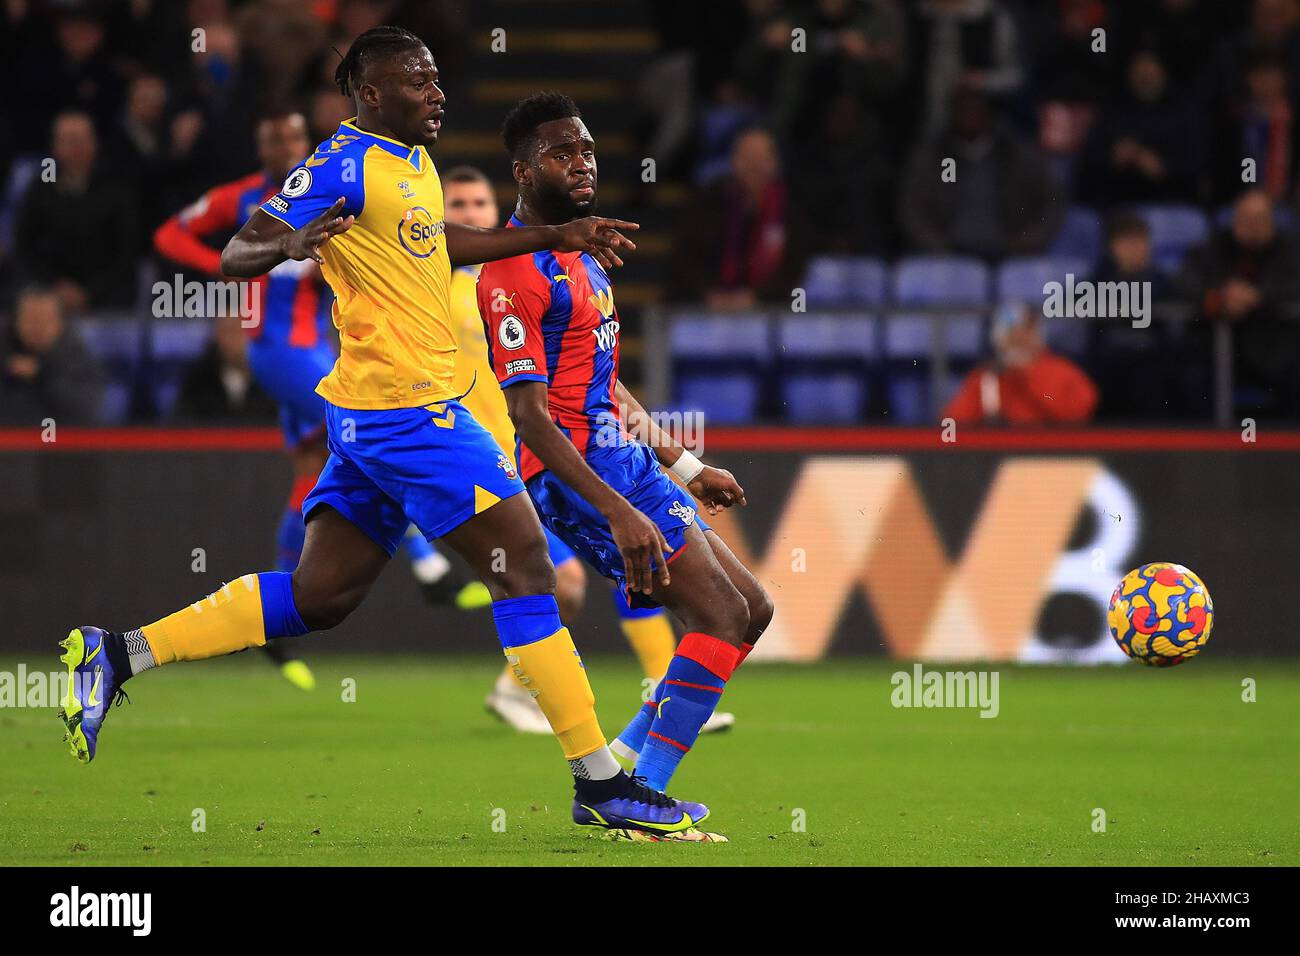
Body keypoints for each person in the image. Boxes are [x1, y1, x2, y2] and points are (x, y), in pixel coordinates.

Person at [59, 26, 709, 840]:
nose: (438, 91)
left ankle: (118, 653)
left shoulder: (412, 163)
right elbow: (236, 250)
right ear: (371, 92)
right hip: (410, 410)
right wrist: (287, 243)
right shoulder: (342, 160)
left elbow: (438, 252)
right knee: (526, 565)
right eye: (419, 79)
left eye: (437, 78)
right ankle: (604, 782)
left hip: (374, 413)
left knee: (317, 596)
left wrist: (554, 234)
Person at [478, 93, 773, 800]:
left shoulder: (585, 253)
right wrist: (613, 507)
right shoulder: (515, 274)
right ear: (522, 171)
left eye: (586, 149)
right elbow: (530, 419)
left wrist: (688, 464)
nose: (582, 164)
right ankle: (638, 796)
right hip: (574, 475)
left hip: (624, 457)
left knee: (751, 611)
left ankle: (626, 761)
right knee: (721, 617)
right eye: (561, 153)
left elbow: (610, 391)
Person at [441, 164, 734, 737]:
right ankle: (613, 746)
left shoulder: (560, 269)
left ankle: (617, 705)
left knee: (625, 571)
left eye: (479, 202)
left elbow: (602, 382)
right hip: (491, 465)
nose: (471, 213)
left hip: (555, 454)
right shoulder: (447, 290)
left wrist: (684, 463)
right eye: (458, 206)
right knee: (577, 579)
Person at [943, 302, 1098, 425]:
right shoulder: (987, 378)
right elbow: (953, 421)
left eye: (1026, 330)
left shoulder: (1061, 371)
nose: (1020, 338)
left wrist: (1028, 375)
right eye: (1012, 332)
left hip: (1053, 455)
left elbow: (1077, 413)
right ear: (999, 338)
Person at [0, 287, 103, 426]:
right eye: (30, 320)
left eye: (44, 321)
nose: (37, 328)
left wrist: (42, 376)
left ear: (60, 324)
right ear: (16, 321)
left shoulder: (76, 357)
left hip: (60, 440)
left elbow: (85, 409)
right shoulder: (4, 350)